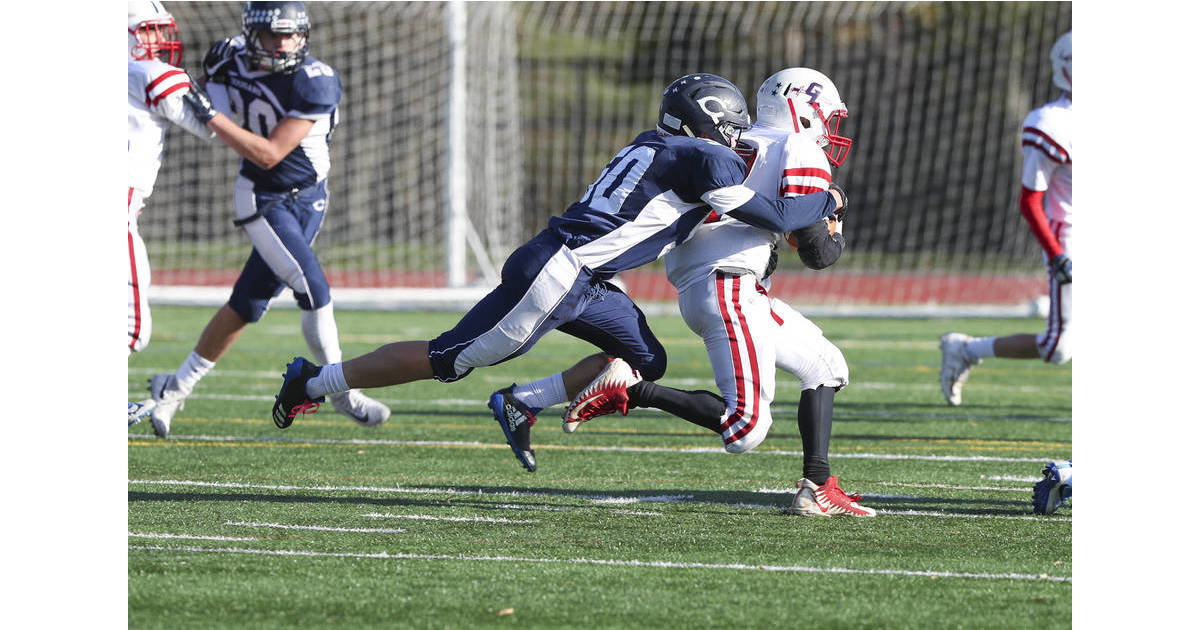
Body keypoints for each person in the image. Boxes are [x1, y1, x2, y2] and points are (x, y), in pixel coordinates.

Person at [271, 73, 848, 473]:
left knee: (646, 361)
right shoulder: (703, 157)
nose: (740, 134)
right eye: (734, 122)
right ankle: (314, 382)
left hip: (587, 278)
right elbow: (771, 214)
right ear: (715, 120)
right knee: (450, 358)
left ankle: (524, 402)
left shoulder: (657, 146)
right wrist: (824, 203)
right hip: (560, 271)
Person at [513, 68, 874, 517]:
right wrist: (834, 213)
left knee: (826, 365)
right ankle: (632, 389)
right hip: (729, 281)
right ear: (807, 108)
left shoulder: (735, 138)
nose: (830, 128)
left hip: (719, 281)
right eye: (826, 115)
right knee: (745, 429)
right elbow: (816, 250)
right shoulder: (799, 147)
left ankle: (816, 487)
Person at [145, 0, 390, 438]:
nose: (283, 44)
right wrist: (186, 89)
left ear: (304, 35)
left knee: (246, 306)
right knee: (313, 288)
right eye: (273, 35)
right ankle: (338, 390)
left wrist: (209, 111)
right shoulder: (230, 60)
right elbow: (202, 115)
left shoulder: (315, 79)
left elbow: (270, 150)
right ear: (252, 35)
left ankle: (174, 388)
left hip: (310, 198)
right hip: (263, 198)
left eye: (290, 35)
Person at [939, 31, 1073, 407]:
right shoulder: (1053, 123)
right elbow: (1031, 200)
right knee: (1058, 348)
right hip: (1070, 239)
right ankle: (966, 349)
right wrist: (1057, 254)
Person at [127, 0, 215, 426]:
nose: (159, 41)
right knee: (132, 327)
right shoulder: (145, 71)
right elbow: (211, 125)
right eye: (147, 30)